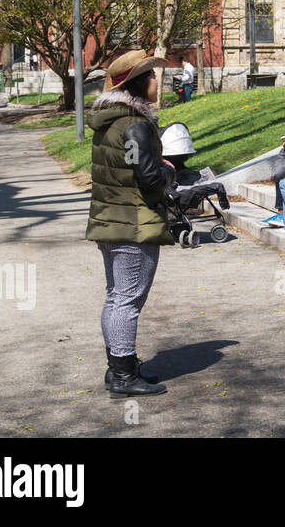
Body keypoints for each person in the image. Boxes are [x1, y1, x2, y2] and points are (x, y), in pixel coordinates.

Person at [86, 49, 175, 398]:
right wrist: (168, 172)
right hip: (133, 222)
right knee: (127, 300)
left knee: (115, 297)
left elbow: (127, 164)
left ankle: (118, 368)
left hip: (111, 221)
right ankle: (123, 375)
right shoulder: (135, 124)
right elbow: (147, 175)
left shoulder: (111, 119)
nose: (157, 82)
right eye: (152, 77)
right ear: (140, 85)